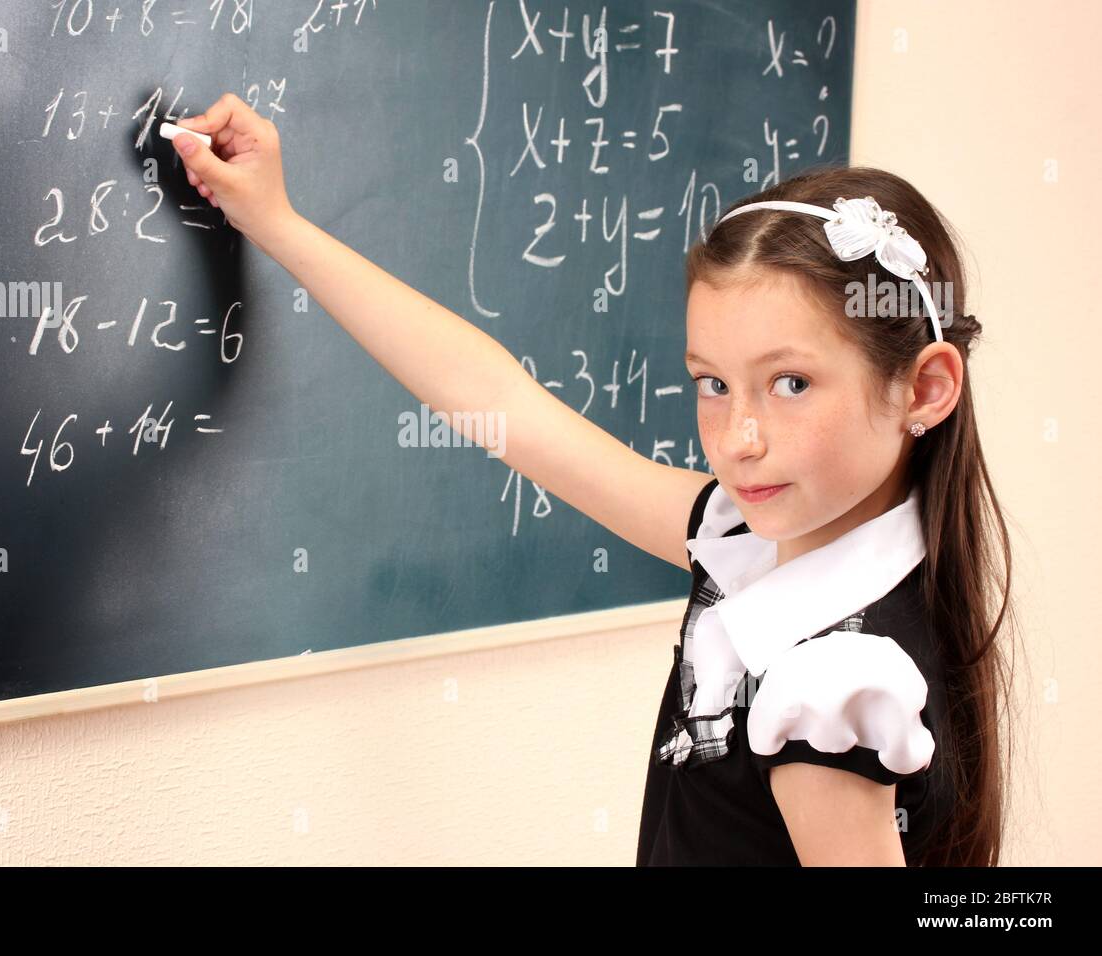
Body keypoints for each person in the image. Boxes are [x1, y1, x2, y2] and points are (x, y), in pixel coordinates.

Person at [170, 93, 1015, 866]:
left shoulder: (829, 682)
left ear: (925, 389)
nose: (740, 440)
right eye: (713, 384)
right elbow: (501, 403)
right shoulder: (748, 540)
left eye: (790, 383)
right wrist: (275, 220)